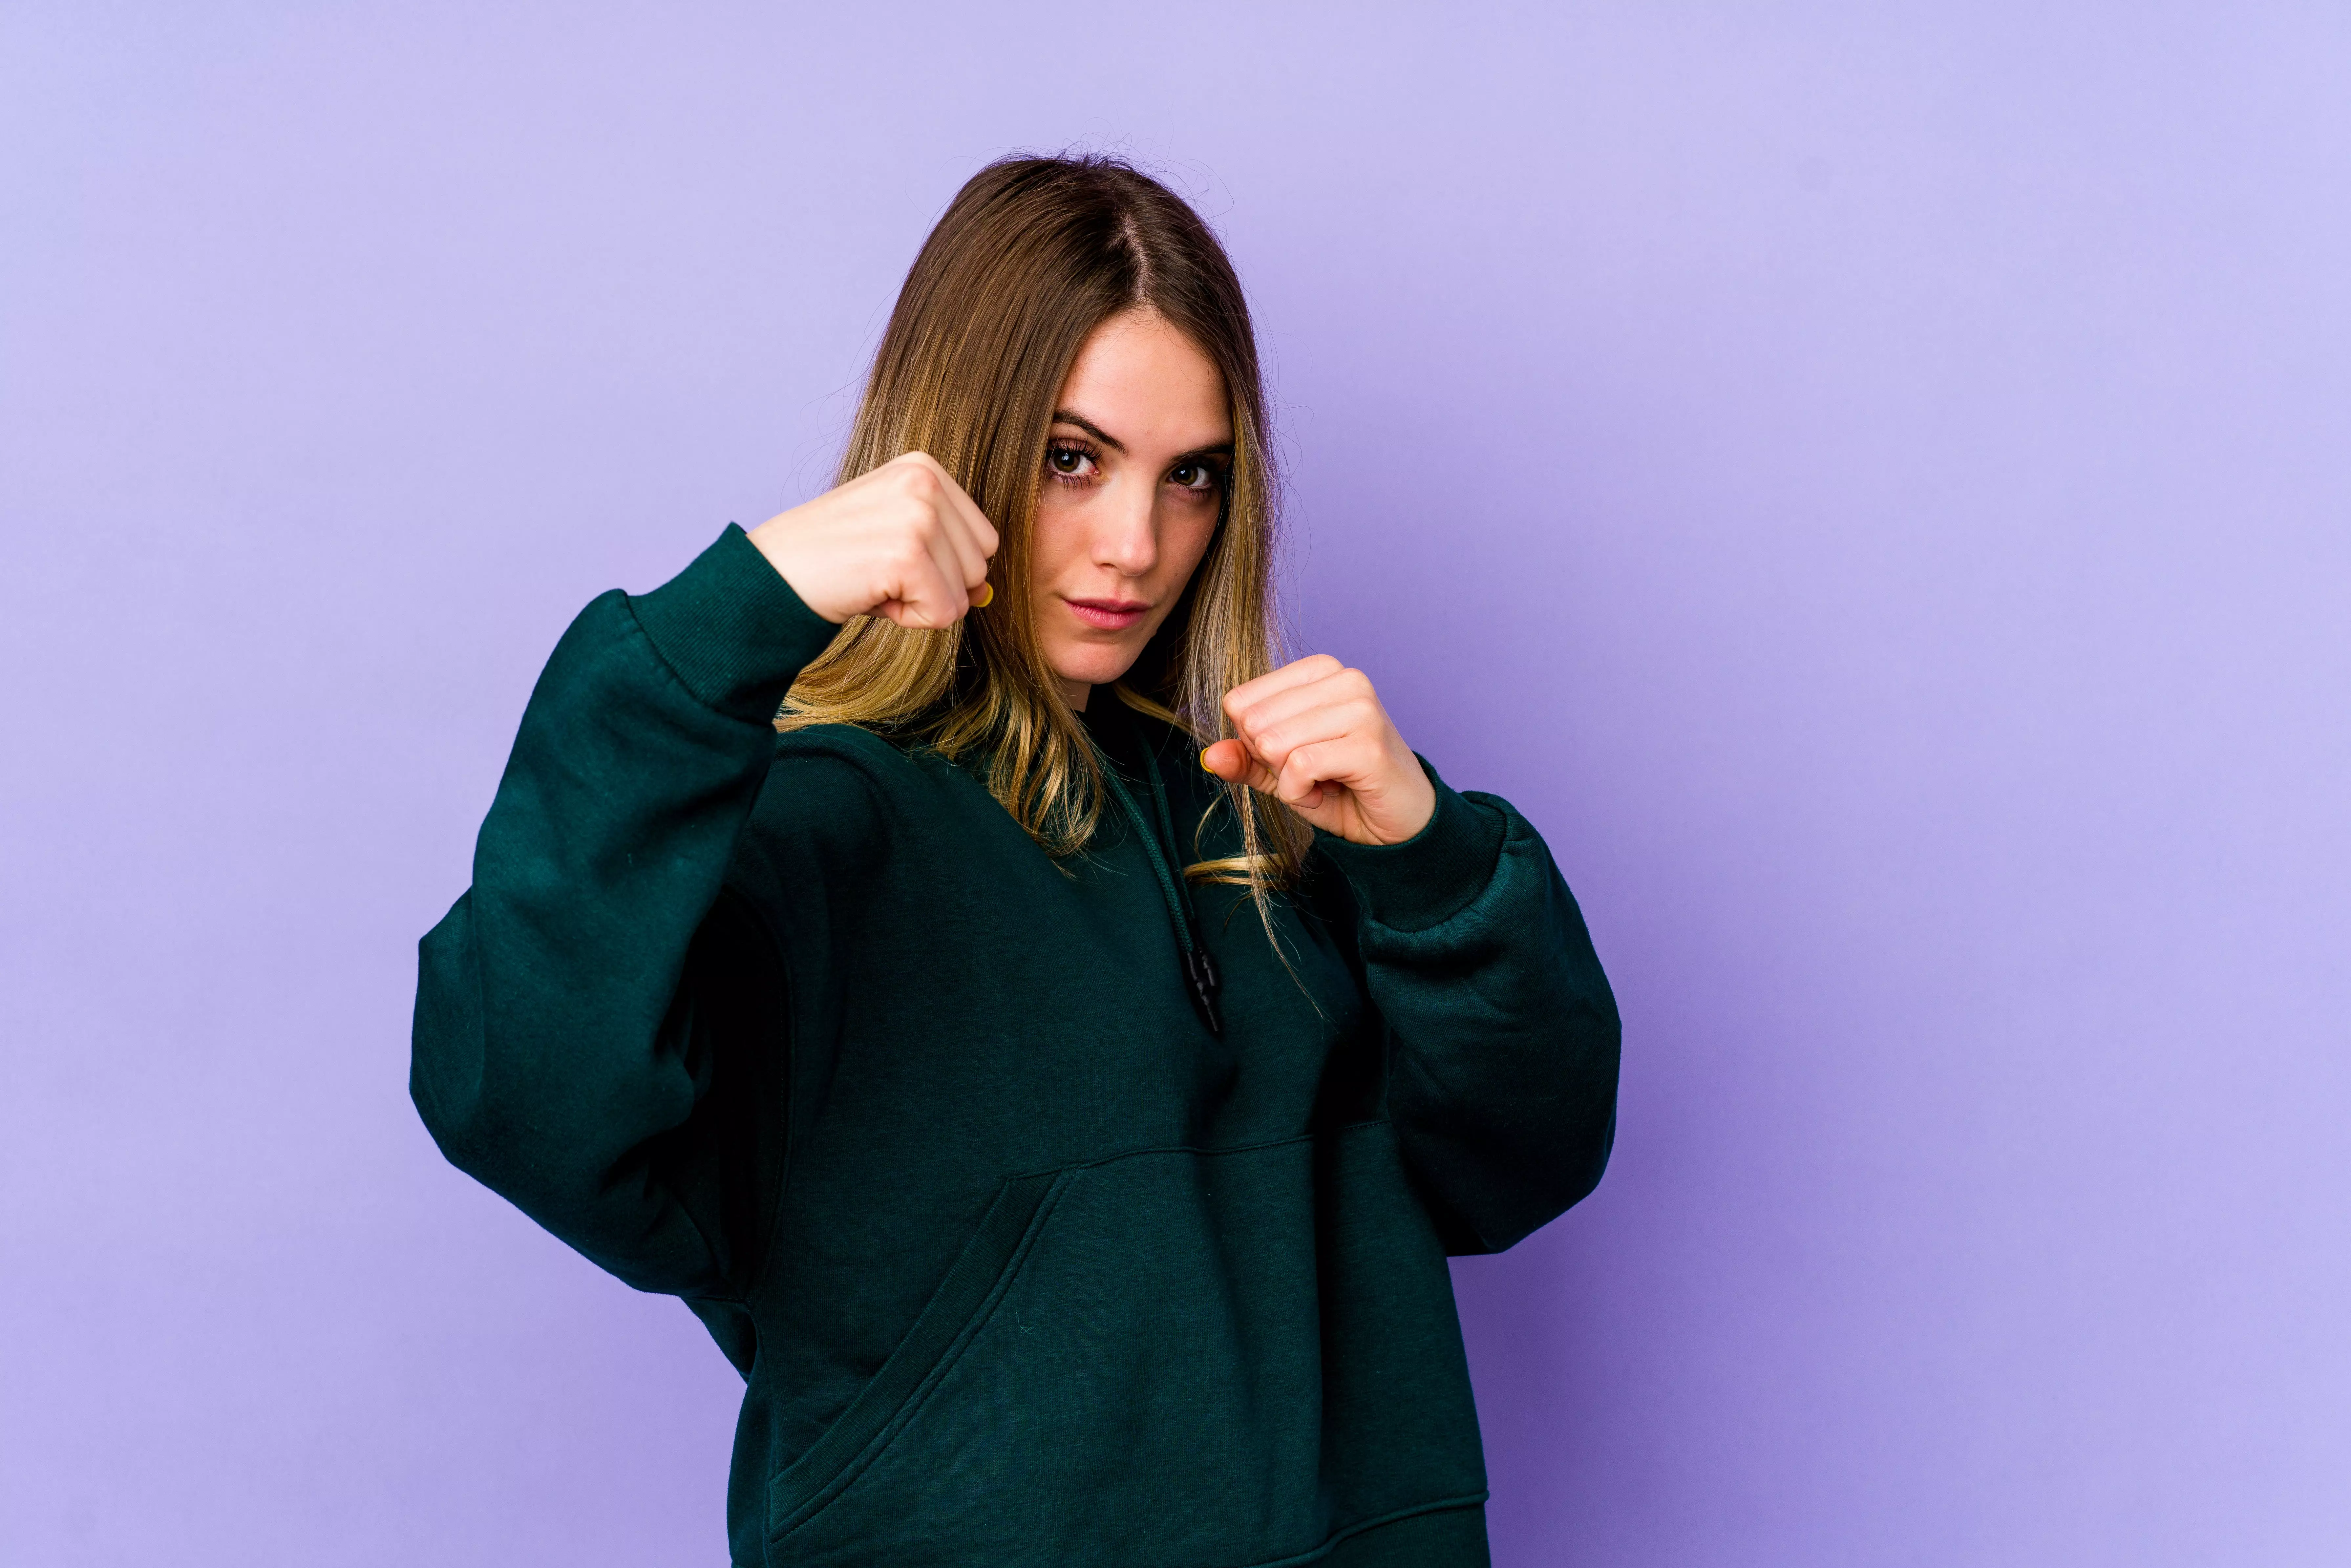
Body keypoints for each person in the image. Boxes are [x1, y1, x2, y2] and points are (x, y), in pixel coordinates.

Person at [411, 153, 1620, 1568]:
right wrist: (732, 618)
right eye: (1072, 459)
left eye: (1194, 479)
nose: (1137, 548)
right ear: (952, 447)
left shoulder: (1271, 813)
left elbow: (1514, 1171)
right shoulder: (820, 826)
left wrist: (1433, 866)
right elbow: (524, 1097)